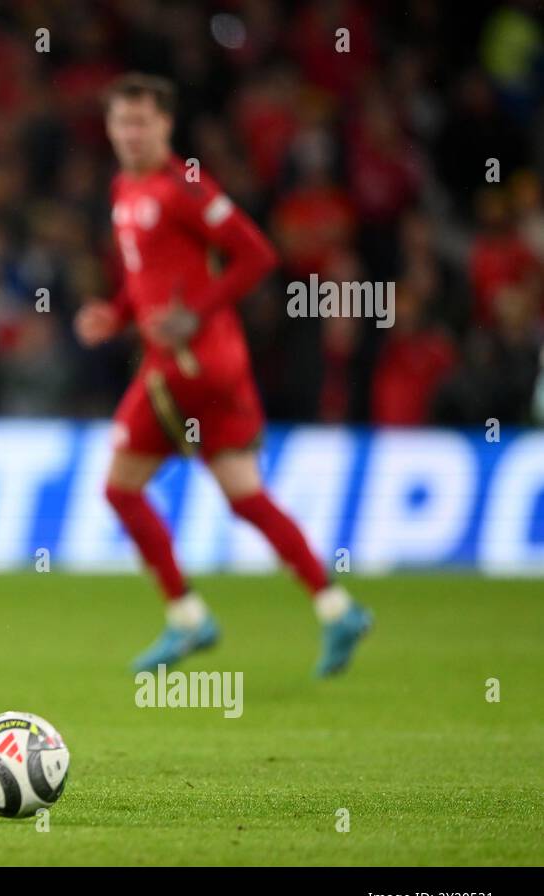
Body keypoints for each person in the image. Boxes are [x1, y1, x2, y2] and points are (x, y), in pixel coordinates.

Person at [74, 75, 371, 676]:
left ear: (166, 126)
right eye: (121, 123)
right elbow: (147, 272)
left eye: (142, 123)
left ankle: (189, 618)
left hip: (194, 367)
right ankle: (336, 607)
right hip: (189, 366)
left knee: (120, 488)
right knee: (244, 496)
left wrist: (194, 315)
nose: (131, 134)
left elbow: (257, 253)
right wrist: (119, 313)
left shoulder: (184, 186)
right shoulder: (124, 188)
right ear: (110, 128)